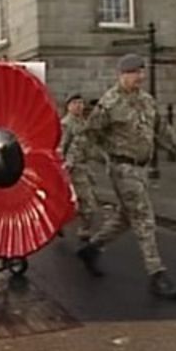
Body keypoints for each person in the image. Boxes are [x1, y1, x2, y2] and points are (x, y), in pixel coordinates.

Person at [76, 53, 176, 300]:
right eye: (134, 72)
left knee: (125, 218)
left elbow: (163, 129)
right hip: (122, 169)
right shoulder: (109, 103)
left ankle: (92, 248)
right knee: (144, 217)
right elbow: (89, 135)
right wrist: (93, 159)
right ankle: (157, 274)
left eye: (142, 72)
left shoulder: (147, 100)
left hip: (141, 168)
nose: (140, 77)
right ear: (122, 75)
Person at [60, 94, 102, 241]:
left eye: (81, 103)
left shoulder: (83, 122)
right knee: (87, 202)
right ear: (68, 106)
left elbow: (90, 145)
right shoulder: (66, 124)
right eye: (75, 103)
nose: (79, 106)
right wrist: (64, 165)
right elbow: (62, 146)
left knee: (80, 201)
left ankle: (62, 223)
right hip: (73, 168)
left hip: (84, 166)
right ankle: (83, 229)